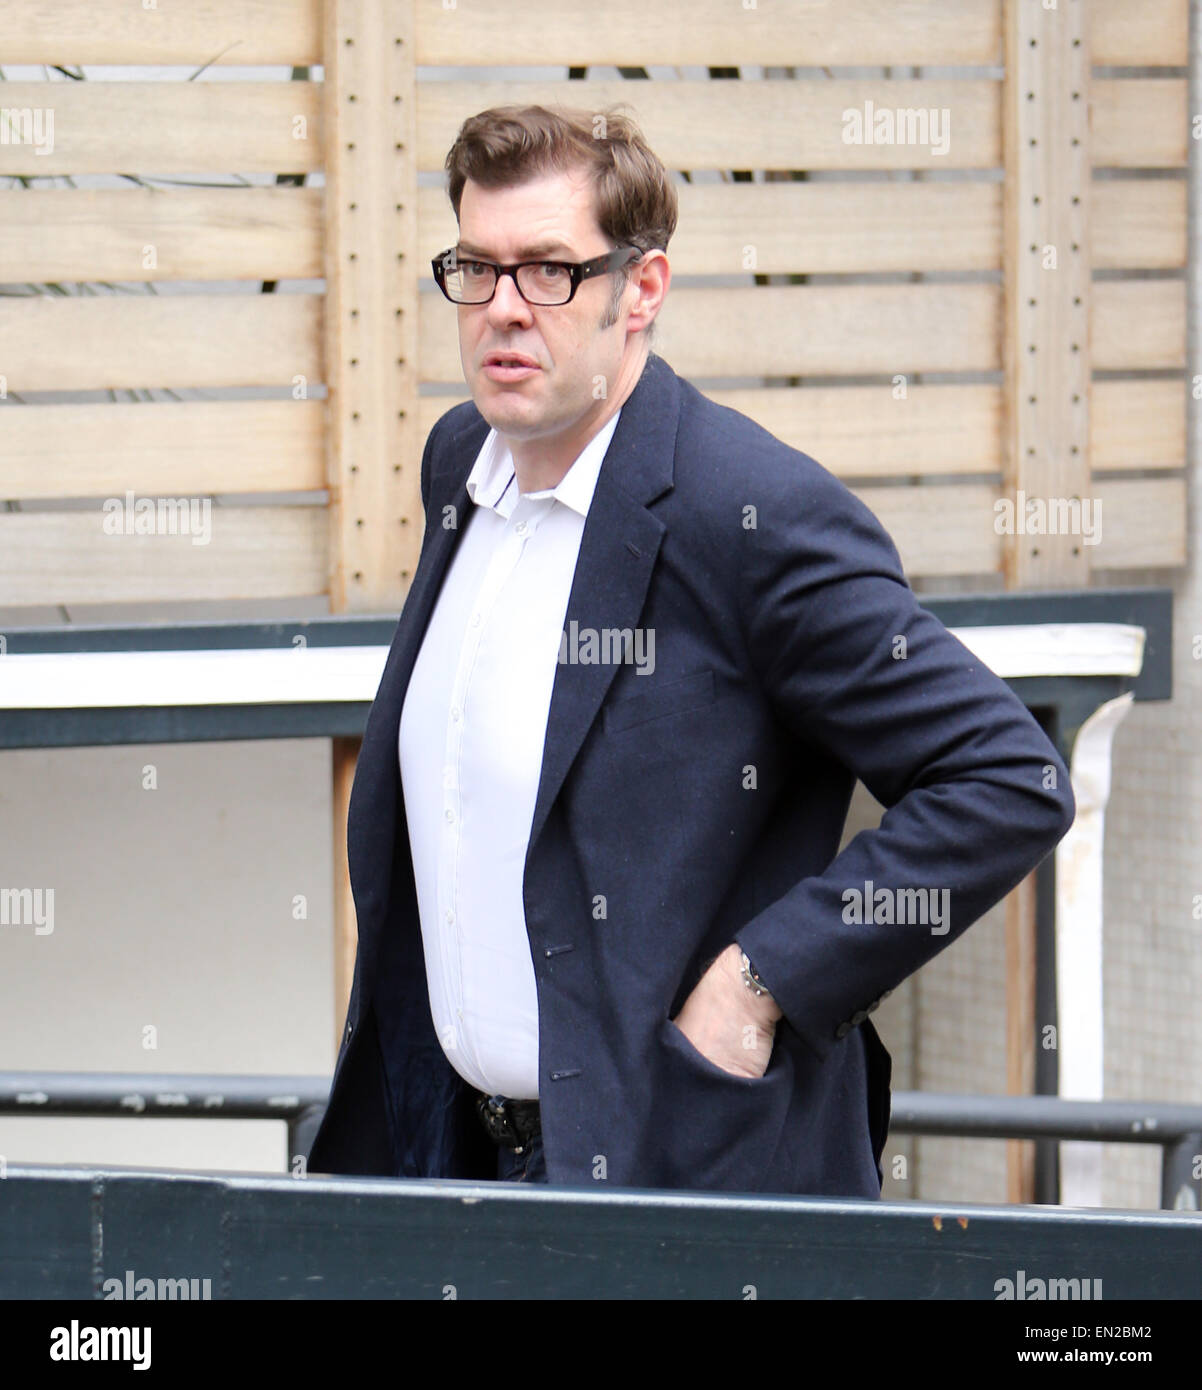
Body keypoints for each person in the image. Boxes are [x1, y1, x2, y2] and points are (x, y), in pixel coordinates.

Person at [306, 104, 1075, 1196]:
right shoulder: (459, 465)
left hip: (678, 1175)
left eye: (548, 272)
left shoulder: (749, 514)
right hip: (455, 1163)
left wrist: (759, 982)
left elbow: (1006, 777)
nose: (502, 310)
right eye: (475, 268)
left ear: (642, 291)